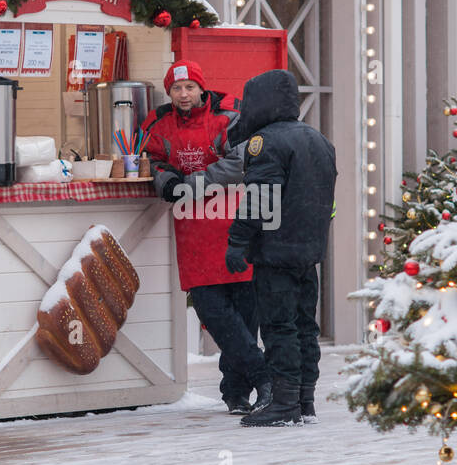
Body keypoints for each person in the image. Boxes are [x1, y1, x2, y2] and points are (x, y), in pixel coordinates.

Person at [142, 60, 272, 416]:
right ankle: (264, 378)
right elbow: (152, 157)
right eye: (176, 89)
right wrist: (164, 178)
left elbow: (241, 161)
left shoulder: (230, 116)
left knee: (245, 313)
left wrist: (191, 184)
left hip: (235, 225)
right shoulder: (160, 123)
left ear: (202, 88)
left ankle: (235, 393)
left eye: (189, 88)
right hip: (194, 230)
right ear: (169, 92)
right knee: (213, 311)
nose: (183, 95)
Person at [226, 69, 337, 427]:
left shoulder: (266, 143)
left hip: (275, 254)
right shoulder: (319, 140)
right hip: (309, 253)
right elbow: (327, 204)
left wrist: (238, 242)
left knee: (279, 327)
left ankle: (284, 403)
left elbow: (260, 198)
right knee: (306, 326)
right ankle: (305, 400)